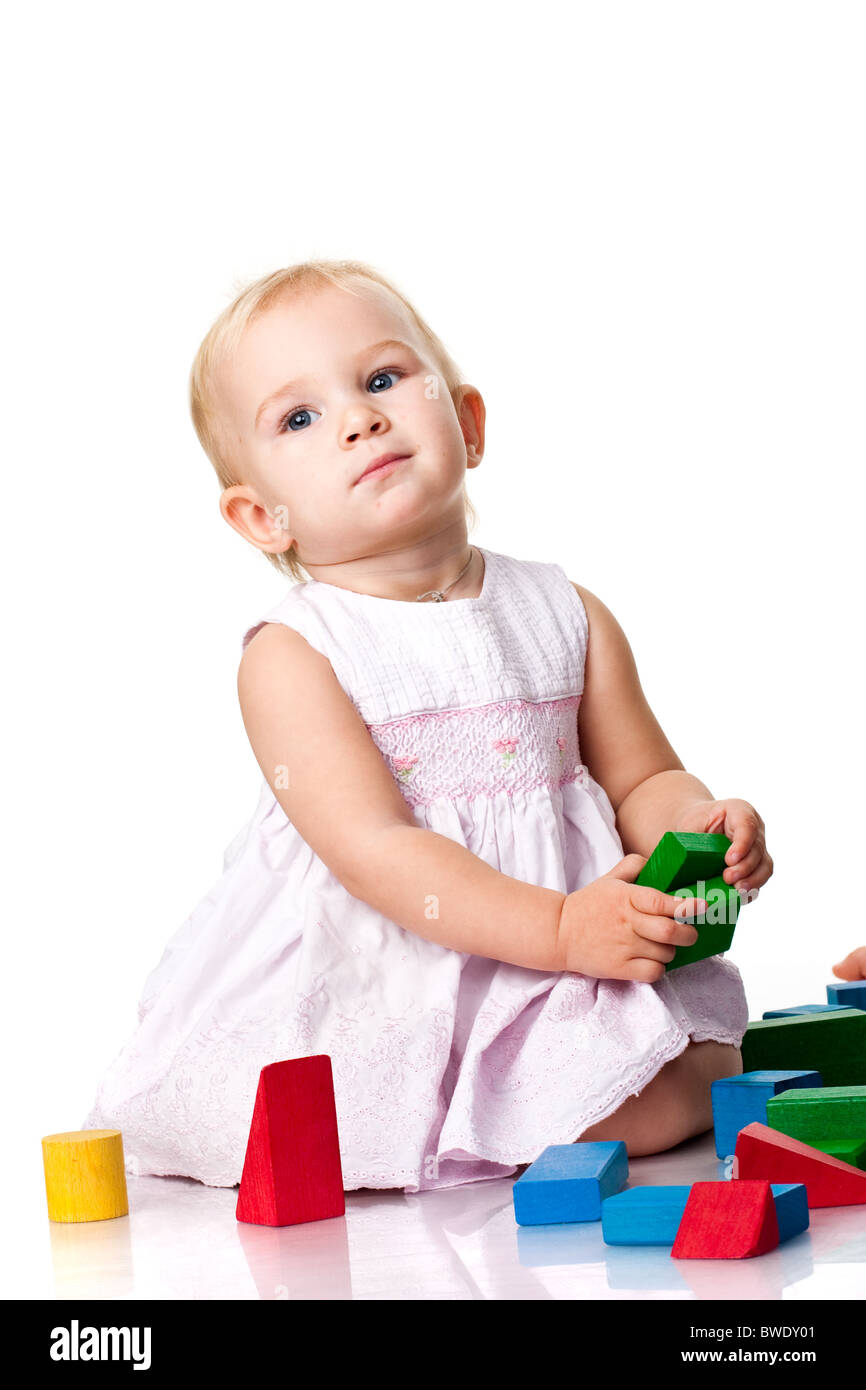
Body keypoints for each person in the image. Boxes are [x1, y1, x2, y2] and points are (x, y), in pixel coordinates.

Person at [82, 258, 774, 1192]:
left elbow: (642, 777)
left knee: (707, 1071)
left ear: (470, 423)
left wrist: (696, 824)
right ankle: (468, 1095)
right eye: (299, 418)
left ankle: (565, 1073)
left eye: (380, 381)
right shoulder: (295, 655)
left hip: (575, 948)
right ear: (260, 517)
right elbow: (378, 854)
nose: (359, 419)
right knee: (628, 1106)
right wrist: (563, 927)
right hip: (403, 960)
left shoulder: (566, 611)